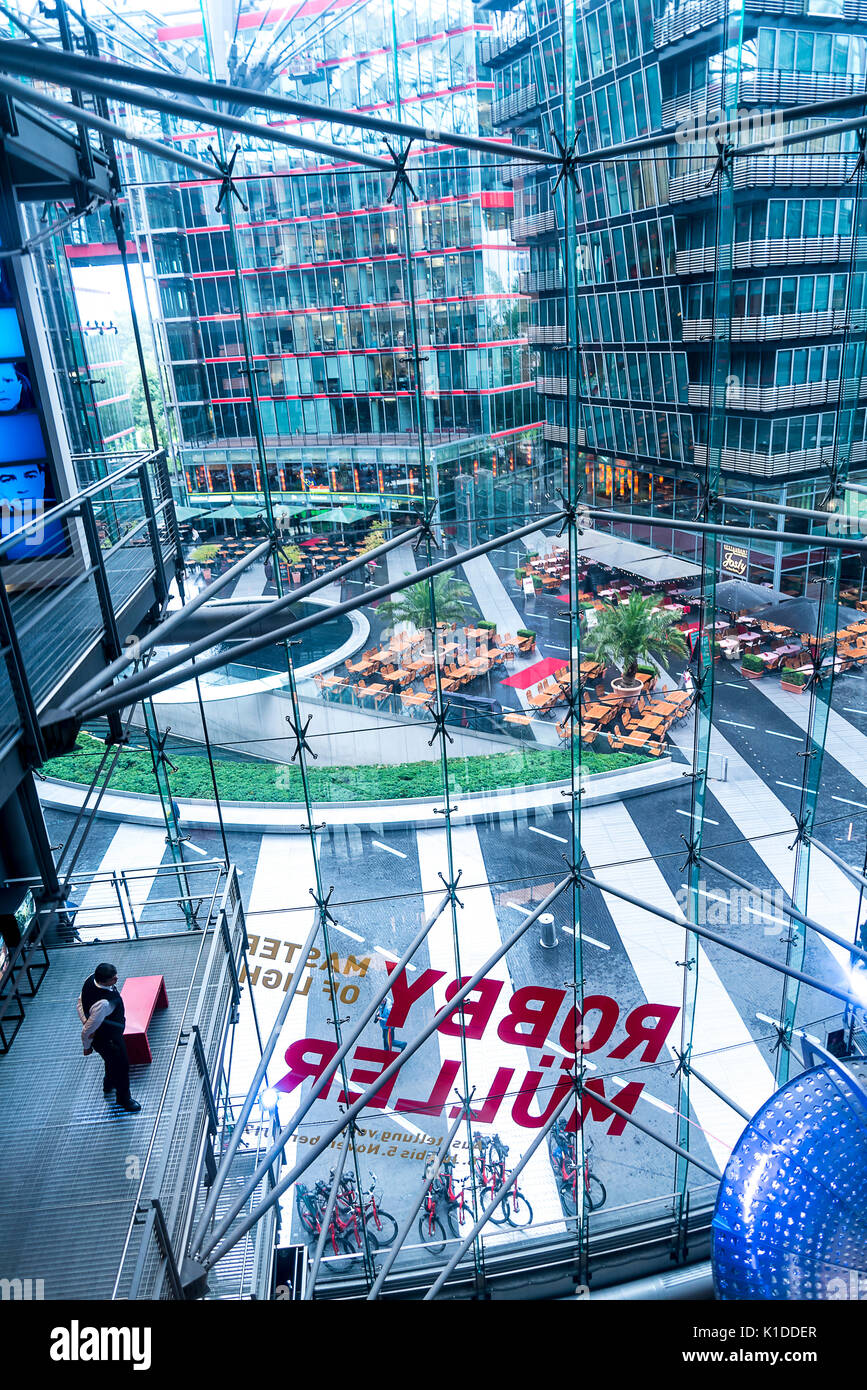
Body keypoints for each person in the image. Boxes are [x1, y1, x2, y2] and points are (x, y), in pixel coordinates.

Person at [77, 962, 141, 1113]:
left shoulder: (90, 979)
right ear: (104, 981)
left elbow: (80, 1001)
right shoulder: (103, 1004)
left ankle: (109, 1084)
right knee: (122, 1066)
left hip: (107, 1036)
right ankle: (124, 1099)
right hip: (109, 1039)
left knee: (111, 1061)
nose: (116, 979)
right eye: (113, 978)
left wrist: (85, 1018)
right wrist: (87, 1047)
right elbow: (88, 1029)